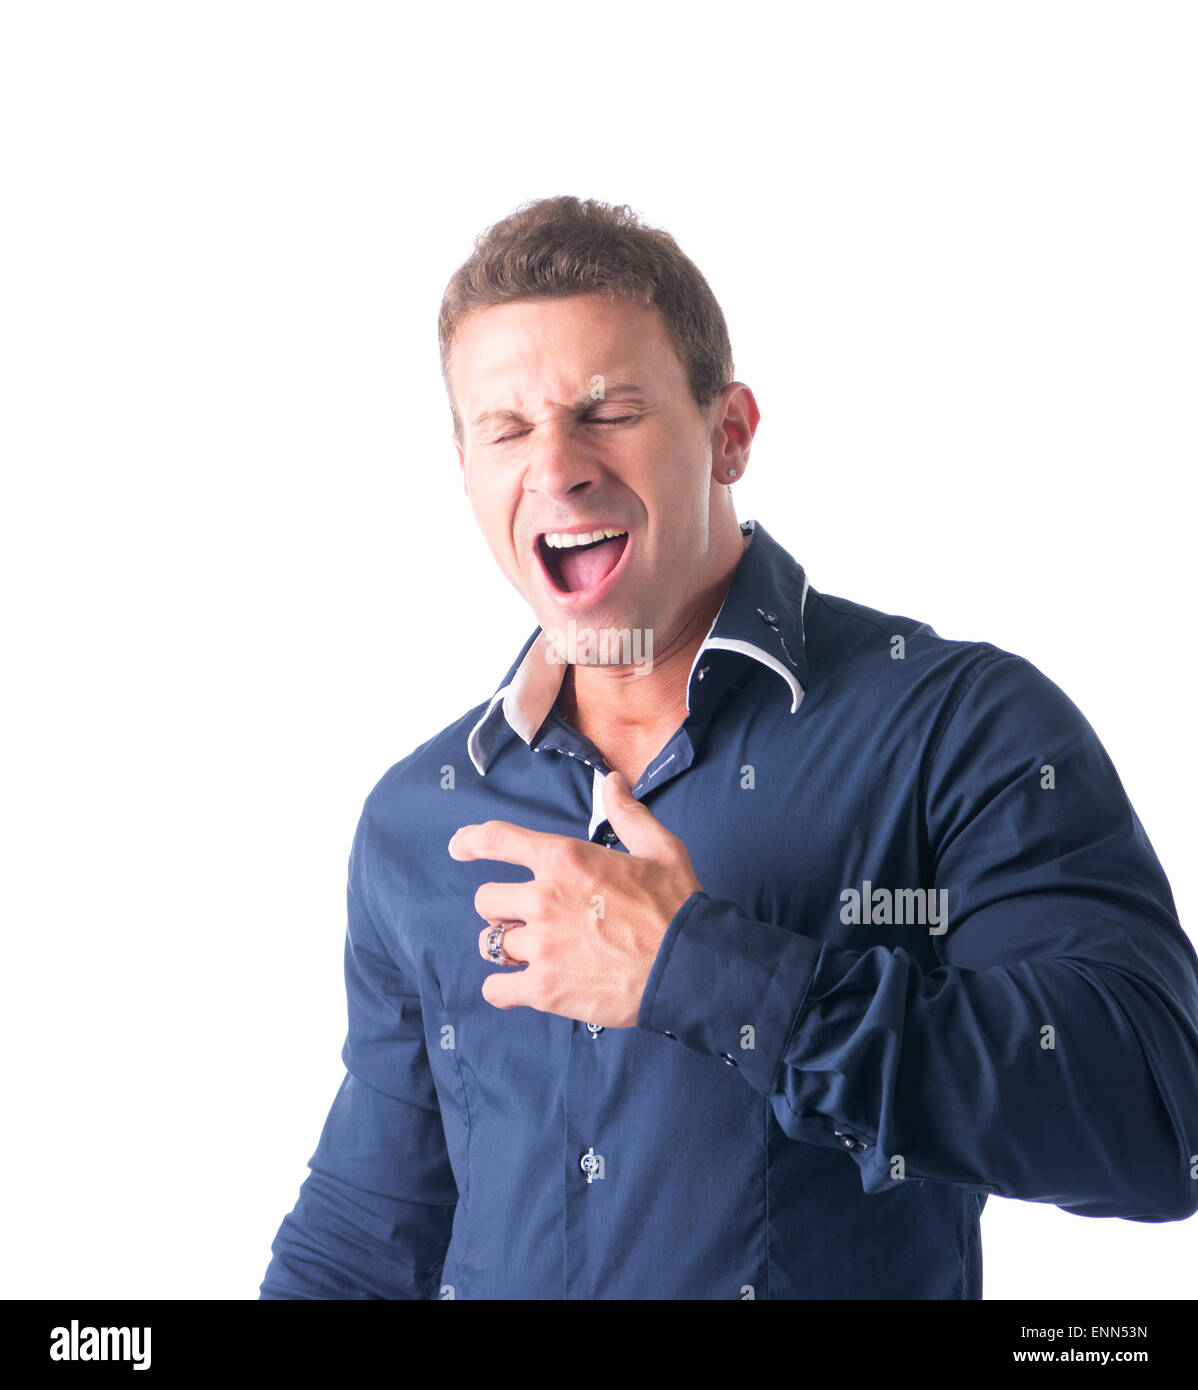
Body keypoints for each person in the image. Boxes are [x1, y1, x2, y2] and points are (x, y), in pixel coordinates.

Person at [259, 196, 1198, 1300]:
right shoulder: (419, 814)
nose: (554, 467)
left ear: (730, 432)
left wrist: (702, 972)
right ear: (464, 467)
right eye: (505, 429)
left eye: (606, 410)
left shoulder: (957, 725)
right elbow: (372, 1232)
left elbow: (1156, 1114)